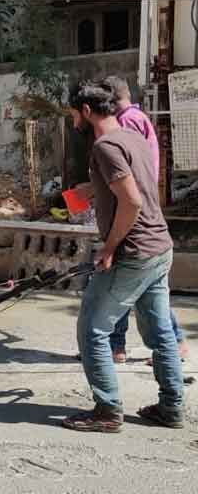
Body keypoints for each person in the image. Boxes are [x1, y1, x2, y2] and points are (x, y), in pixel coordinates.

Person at [62, 79, 183, 433]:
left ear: (86, 110)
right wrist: (90, 191)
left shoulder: (105, 146)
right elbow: (133, 188)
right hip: (160, 247)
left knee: (93, 330)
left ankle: (107, 410)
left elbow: (132, 201)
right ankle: (171, 407)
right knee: (160, 333)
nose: (73, 123)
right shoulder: (134, 137)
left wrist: (110, 247)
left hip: (134, 253)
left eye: (73, 114)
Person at [103, 75, 187, 365]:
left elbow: (128, 185)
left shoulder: (124, 125)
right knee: (146, 291)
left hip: (135, 217)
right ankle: (171, 344)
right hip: (145, 213)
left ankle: (116, 346)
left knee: (120, 285)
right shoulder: (138, 118)